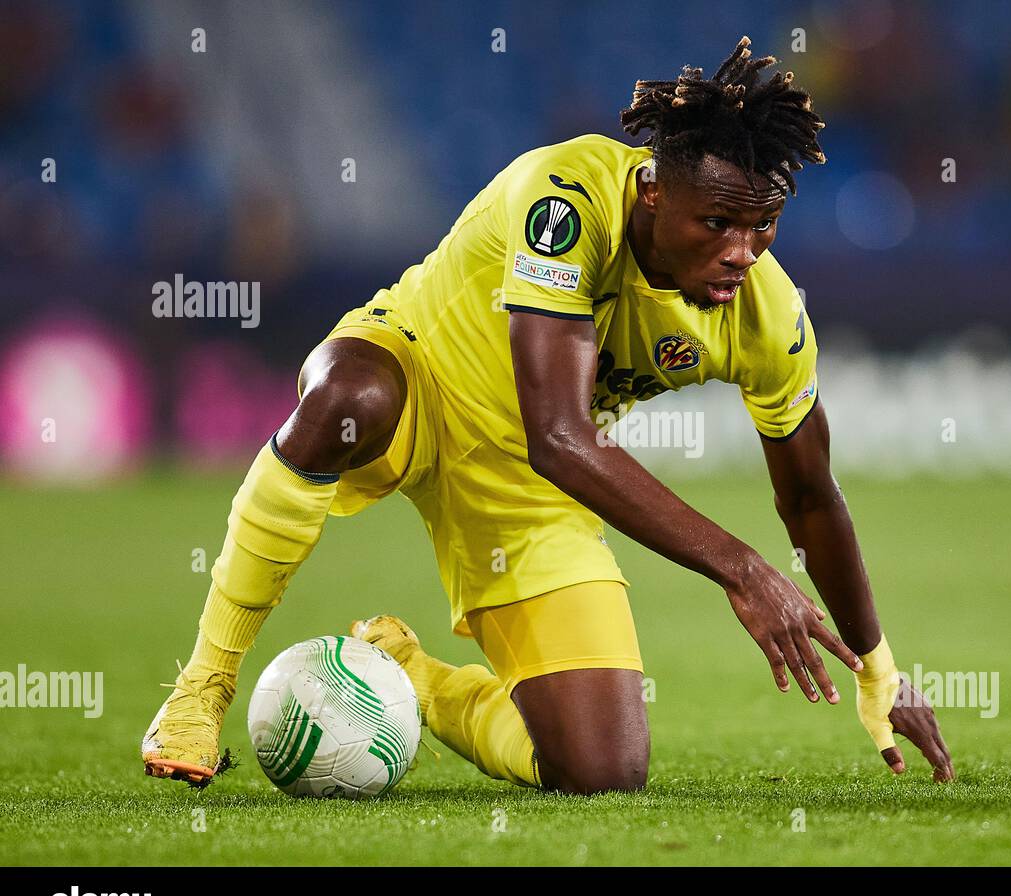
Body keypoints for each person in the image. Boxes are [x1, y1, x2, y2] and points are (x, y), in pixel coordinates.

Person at [143, 36, 954, 795]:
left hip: (524, 482)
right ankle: (201, 688)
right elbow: (562, 436)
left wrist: (879, 666)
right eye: (716, 223)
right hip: (422, 377)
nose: (742, 251)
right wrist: (741, 569)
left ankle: (408, 672)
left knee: (601, 770)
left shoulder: (767, 316)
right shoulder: (565, 201)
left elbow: (811, 496)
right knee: (344, 399)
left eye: (761, 225)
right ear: (651, 190)